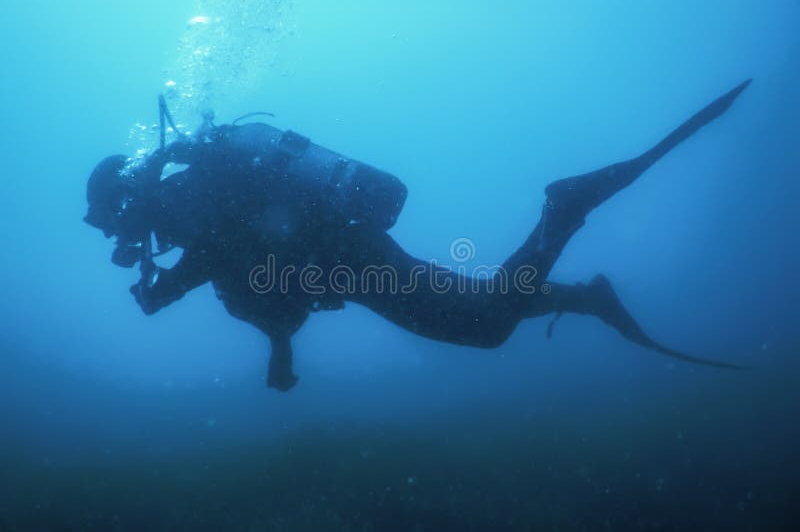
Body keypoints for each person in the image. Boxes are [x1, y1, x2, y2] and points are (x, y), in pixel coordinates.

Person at [85, 80, 751, 391]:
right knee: (477, 309)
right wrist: (280, 358)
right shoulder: (188, 200)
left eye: (111, 219)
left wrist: (165, 290)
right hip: (343, 258)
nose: (116, 235)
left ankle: (561, 211)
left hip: (346, 255)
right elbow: (257, 290)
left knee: (484, 326)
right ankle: (584, 296)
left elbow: (219, 253)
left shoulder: (182, 206)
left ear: (123, 200)